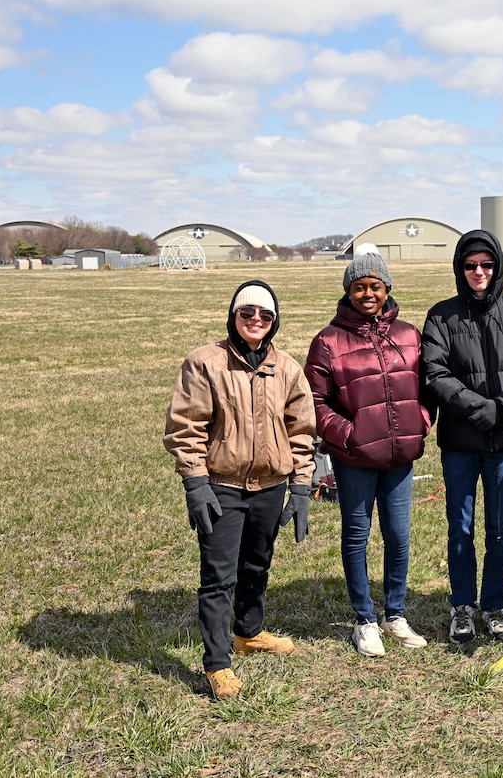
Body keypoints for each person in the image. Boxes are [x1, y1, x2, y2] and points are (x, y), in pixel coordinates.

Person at [164, 280, 316, 700]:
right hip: (222, 486)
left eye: (265, 315)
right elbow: (186, 426)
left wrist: (301, 487)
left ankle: (249, 633)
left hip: (270, 486)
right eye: (246, 312)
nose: (255, 320)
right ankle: (217, 664)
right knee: (218, 577)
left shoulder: (287, 369)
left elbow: (302, 431)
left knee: (257, 564)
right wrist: (195, 483)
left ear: (275, 321)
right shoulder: (204, 363)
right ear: (233, 316)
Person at [421, 230, 503, 644]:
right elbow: (435, 372)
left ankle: (495, 606)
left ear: (498, 267)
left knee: (499, 529)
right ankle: (462, 605)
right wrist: (476, 407)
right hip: (460, 443)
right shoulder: (441, 316)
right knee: (460, 528)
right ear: (460, 269)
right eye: (470, 265)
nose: (479, 272)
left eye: (487, 264)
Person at [305, 249, 434, 657]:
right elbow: (315, 402)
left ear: (387, 289)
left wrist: (420, 422)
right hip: (355, 459)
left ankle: (395, 614)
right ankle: (364, 619)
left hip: (400, 458)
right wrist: (349, 436)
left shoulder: (410, 335)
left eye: (375, 286)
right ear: (348, 291)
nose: (367, 294)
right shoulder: (328, 341)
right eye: (359, 287)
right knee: (357, 536)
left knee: (398, 537)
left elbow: (428, 388)